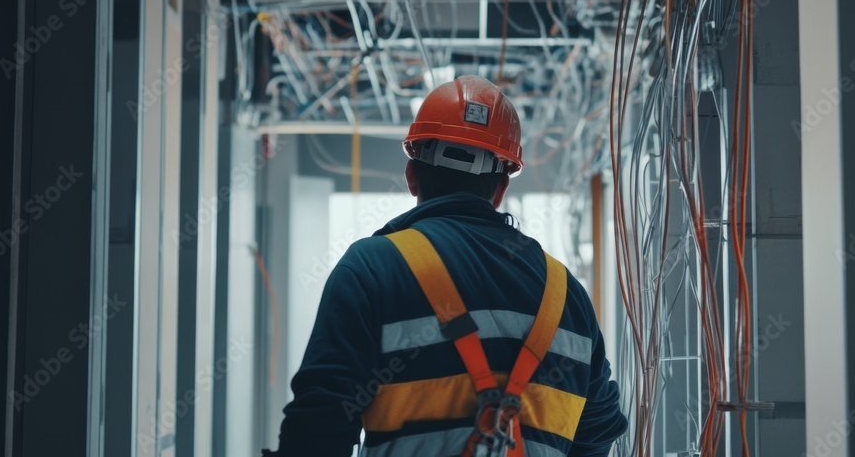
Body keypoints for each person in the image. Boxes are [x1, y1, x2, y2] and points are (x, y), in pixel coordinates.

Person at [265, 75, 627, 456]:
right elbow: (599, 428)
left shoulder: (372, 270)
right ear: (501, 190)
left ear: (411, 177)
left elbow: (318, 427)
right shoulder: (567, 296)